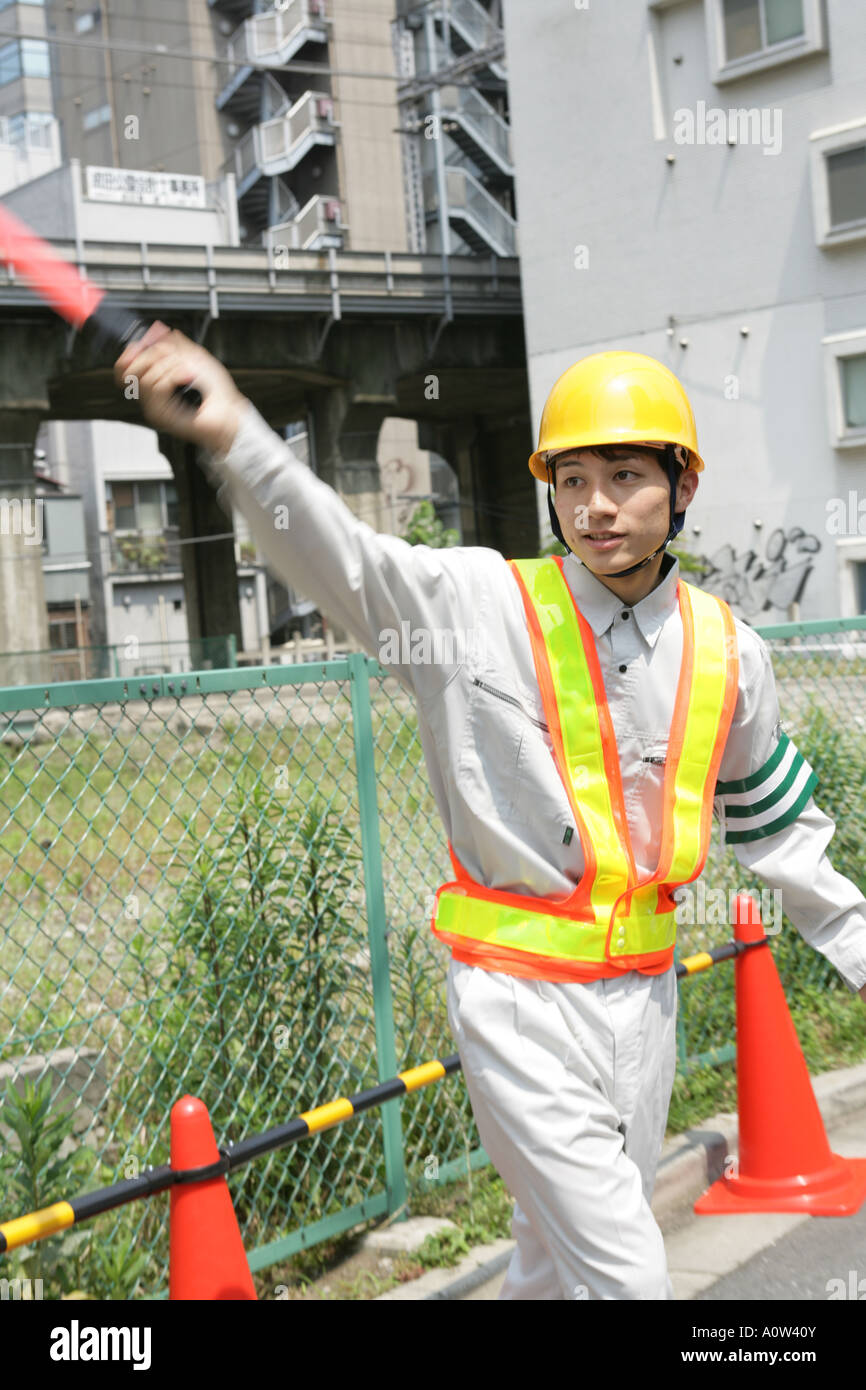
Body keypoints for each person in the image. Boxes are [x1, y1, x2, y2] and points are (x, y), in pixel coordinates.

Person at [113, 329, 866, 1300]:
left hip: (644, 1004)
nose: (594, 505)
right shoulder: (474, 603)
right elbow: (340, 556)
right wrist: (234, 432)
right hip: (515, 1003)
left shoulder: (729, 650)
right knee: (627, 1273)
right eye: (572, 478)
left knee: (556, 1268)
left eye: (626, 475)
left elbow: (777, 830)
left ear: (681, 487)